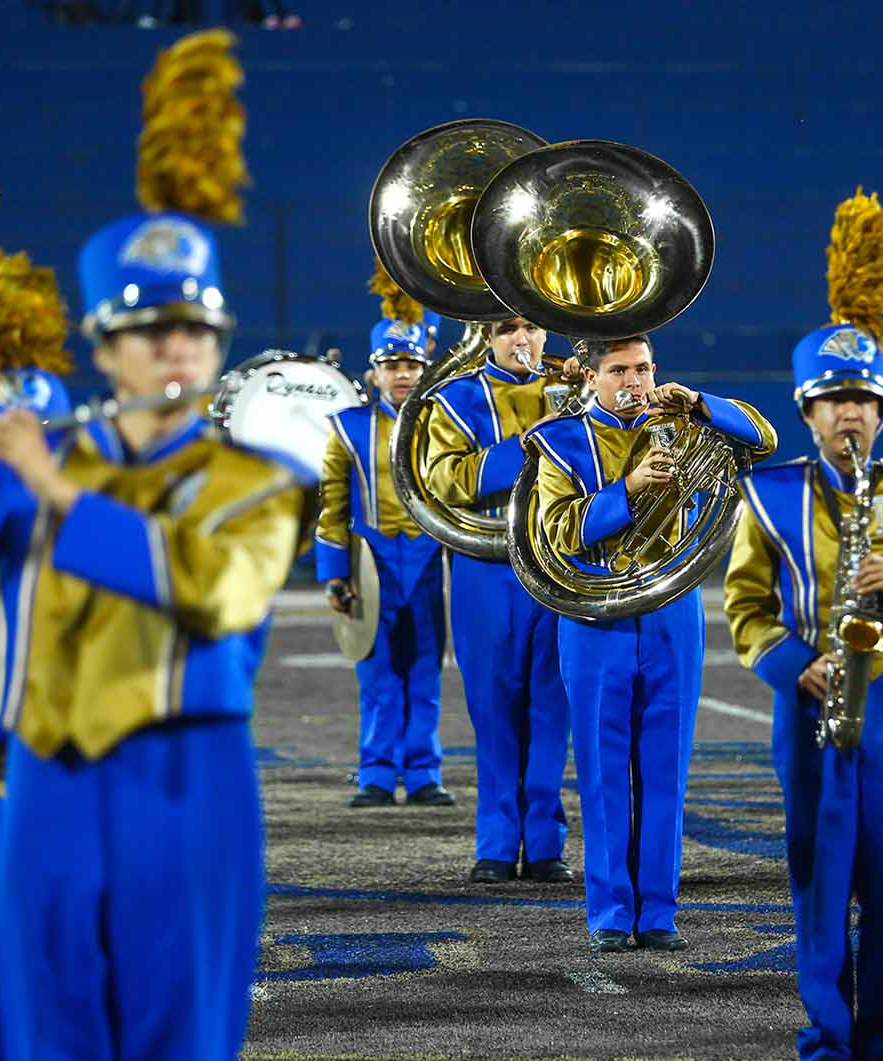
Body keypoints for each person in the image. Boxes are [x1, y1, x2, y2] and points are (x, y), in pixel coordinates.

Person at [0, 30, 305, 1061]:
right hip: (44, 785)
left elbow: (215, 590)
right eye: (149, 333)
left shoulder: (257, 480)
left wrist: (53, 491)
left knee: (178, 1053)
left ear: (219, 344)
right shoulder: (15, 473)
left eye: (193, 330)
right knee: (51, 1052)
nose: (174, 349)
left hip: (185, 782)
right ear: (104, 349)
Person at [723, 190, 883, 1061]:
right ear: (806, 411)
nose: (849, 414)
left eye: (862, 399)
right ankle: (825, 1042)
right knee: (817, 884)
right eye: (833, 400)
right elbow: (745, 604)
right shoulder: (770, 493)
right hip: (810, 705)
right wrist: (793, 665)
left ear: (882, 409)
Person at [528, 334, 776, 953]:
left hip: (671, 609)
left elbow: (763, 439)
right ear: (590, 377)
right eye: (619, 371)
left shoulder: (683, 423)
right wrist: (629, 488)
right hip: (594, 613)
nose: (633, 382)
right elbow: (556, 532)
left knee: (667, 766)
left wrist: (700, 402)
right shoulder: (558, 441)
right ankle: (612, 913)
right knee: (602, 769)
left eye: (642, 369)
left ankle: (660, 911)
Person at [422, 311, 574, 883]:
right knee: (493, 710)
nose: (522, 339)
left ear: (546, 333)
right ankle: (496, 842)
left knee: (552, 708)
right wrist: (534, 444)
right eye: (508, 329)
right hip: (485, 570)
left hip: (560, 563)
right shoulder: (456, 400)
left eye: (531, 327)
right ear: (487, 337)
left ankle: (545, 842)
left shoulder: (577, 391)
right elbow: (446, 480)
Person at [319, 302, 450, 809]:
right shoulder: (347, 427)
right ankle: (375, 772)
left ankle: (423, 773)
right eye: (391, 365)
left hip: (428, 559)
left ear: (425, 369)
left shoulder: (444, 424)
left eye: (412, 365)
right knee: (376, 673)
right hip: (371, 561)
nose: (402, 375)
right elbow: (332, 503)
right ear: (373, 373)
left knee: (425, 669)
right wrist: (335, 573)